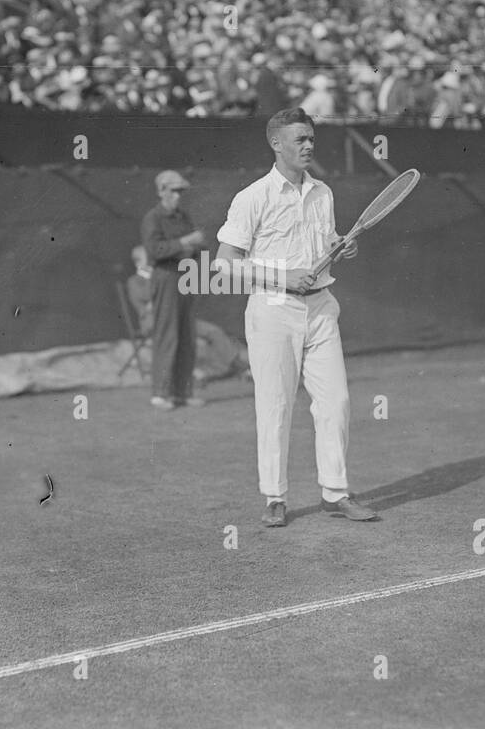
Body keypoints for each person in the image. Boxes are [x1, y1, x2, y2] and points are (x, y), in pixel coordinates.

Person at [213, 107, 377, 528]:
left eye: (311, 139)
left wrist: (341, 246)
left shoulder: (323, 192)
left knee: (336, 402)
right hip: (272, 310)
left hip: (321, 308)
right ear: (276, 144)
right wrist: (283, 277)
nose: (308, 146)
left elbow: (324, 244)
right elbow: (224, 263)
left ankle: (335, 493)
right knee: (275, 405)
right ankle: (275, 497)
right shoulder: (252, 197)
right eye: (299, 139)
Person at [127, 246, 251, 384]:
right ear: (138, 263)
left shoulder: (162, 277)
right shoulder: (135, 281)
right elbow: (150, 300)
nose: (153, 261)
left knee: (213, 331)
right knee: (181, 338)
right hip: (155, 323)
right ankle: (192, 374)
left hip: (178, 318)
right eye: (149, 258)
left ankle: (238, 366)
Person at [141, 171, 206, 410]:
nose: (178, 196)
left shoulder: (183, 216)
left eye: (181, 191)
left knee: (187, 336)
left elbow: (199, 246)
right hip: (166, 278)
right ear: (161, 191)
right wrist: (186, 243)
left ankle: (182, 393)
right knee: (167, 335)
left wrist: (190, 247)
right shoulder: (153, 218)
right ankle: (161, 393)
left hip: (185, 277)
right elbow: (154, 251)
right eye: (174, 191)